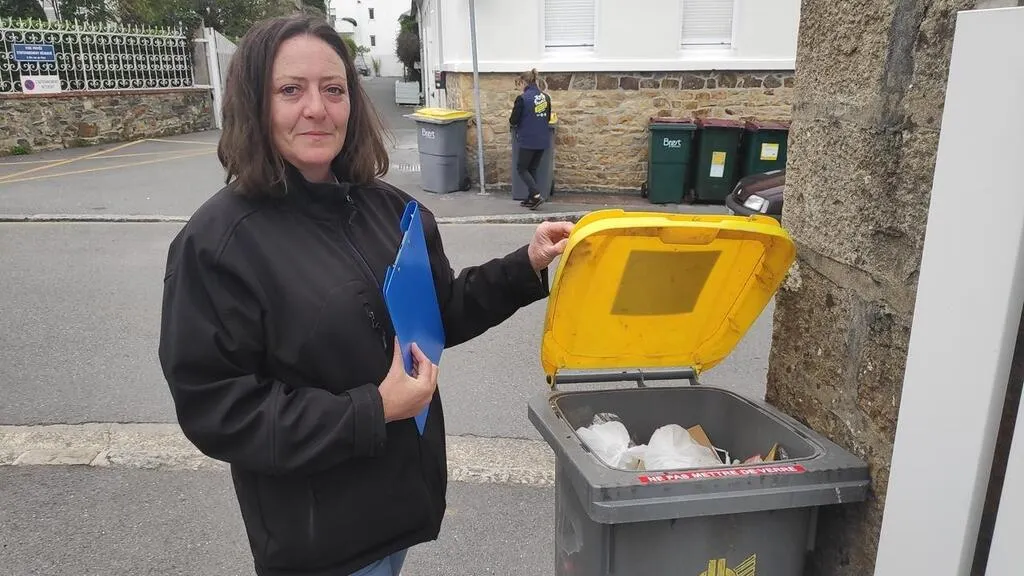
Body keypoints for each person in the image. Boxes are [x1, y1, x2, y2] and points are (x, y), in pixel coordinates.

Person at [156, 14, 573, 576]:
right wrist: (372, 410)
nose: (317, 108)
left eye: (333, 90)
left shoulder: (389, 211)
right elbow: (219, 409)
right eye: (290, 90)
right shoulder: (218, 245)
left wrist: (526, 264)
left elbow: (437, 314)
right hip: (320, 539)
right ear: (253, 104)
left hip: (398, 506)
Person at [508, 68, 552, 210]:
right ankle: (531, 198)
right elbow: (548, 117)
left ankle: (536, 194)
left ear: (524, 82)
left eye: (519, 83)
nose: (519, 86)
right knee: (532, 168)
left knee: (521, 168)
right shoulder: (546, 97)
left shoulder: (522, 99)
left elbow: (514, 120)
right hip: (543, 139)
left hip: (528, 140)